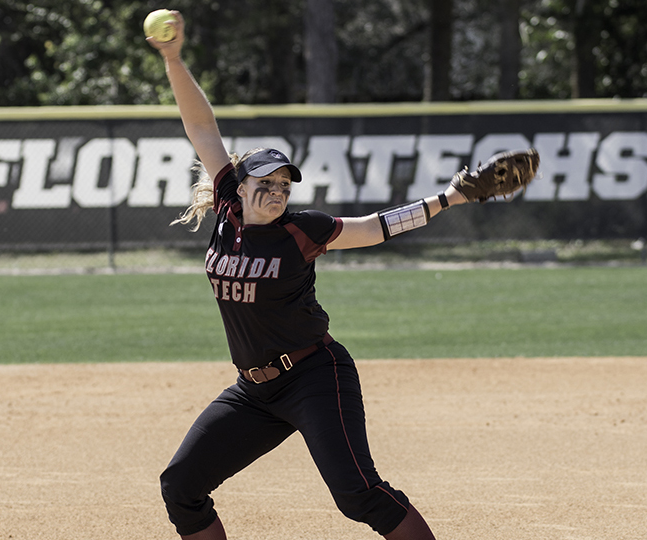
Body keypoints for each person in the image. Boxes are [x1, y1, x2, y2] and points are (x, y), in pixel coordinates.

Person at [149, 12, 470, 540]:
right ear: (240, 183)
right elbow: (201, 126)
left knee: (358, 494)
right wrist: (174, 59)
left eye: (285, 184)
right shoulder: (228, 206)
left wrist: (448, 198)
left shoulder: (303, 230)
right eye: (266, 181)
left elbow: (375, 228)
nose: (277, 191)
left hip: (314, 377)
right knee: (181, 484)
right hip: (254, 391)